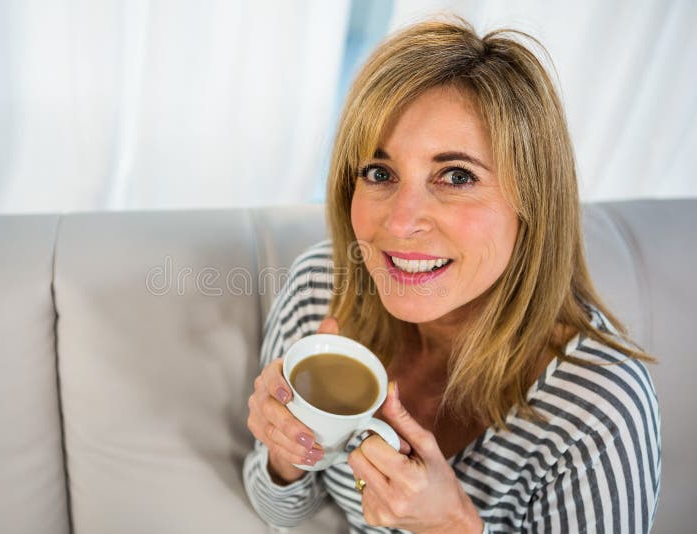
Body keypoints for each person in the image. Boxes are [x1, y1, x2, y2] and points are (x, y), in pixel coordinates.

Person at [243, 16, 660, 534]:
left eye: (456, 176)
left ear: (533, 202)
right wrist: (286, 457)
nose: (399, 222)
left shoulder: (599, 406)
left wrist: (454, 527)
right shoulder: (318, 292)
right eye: (380, 173)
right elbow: (276, 508)